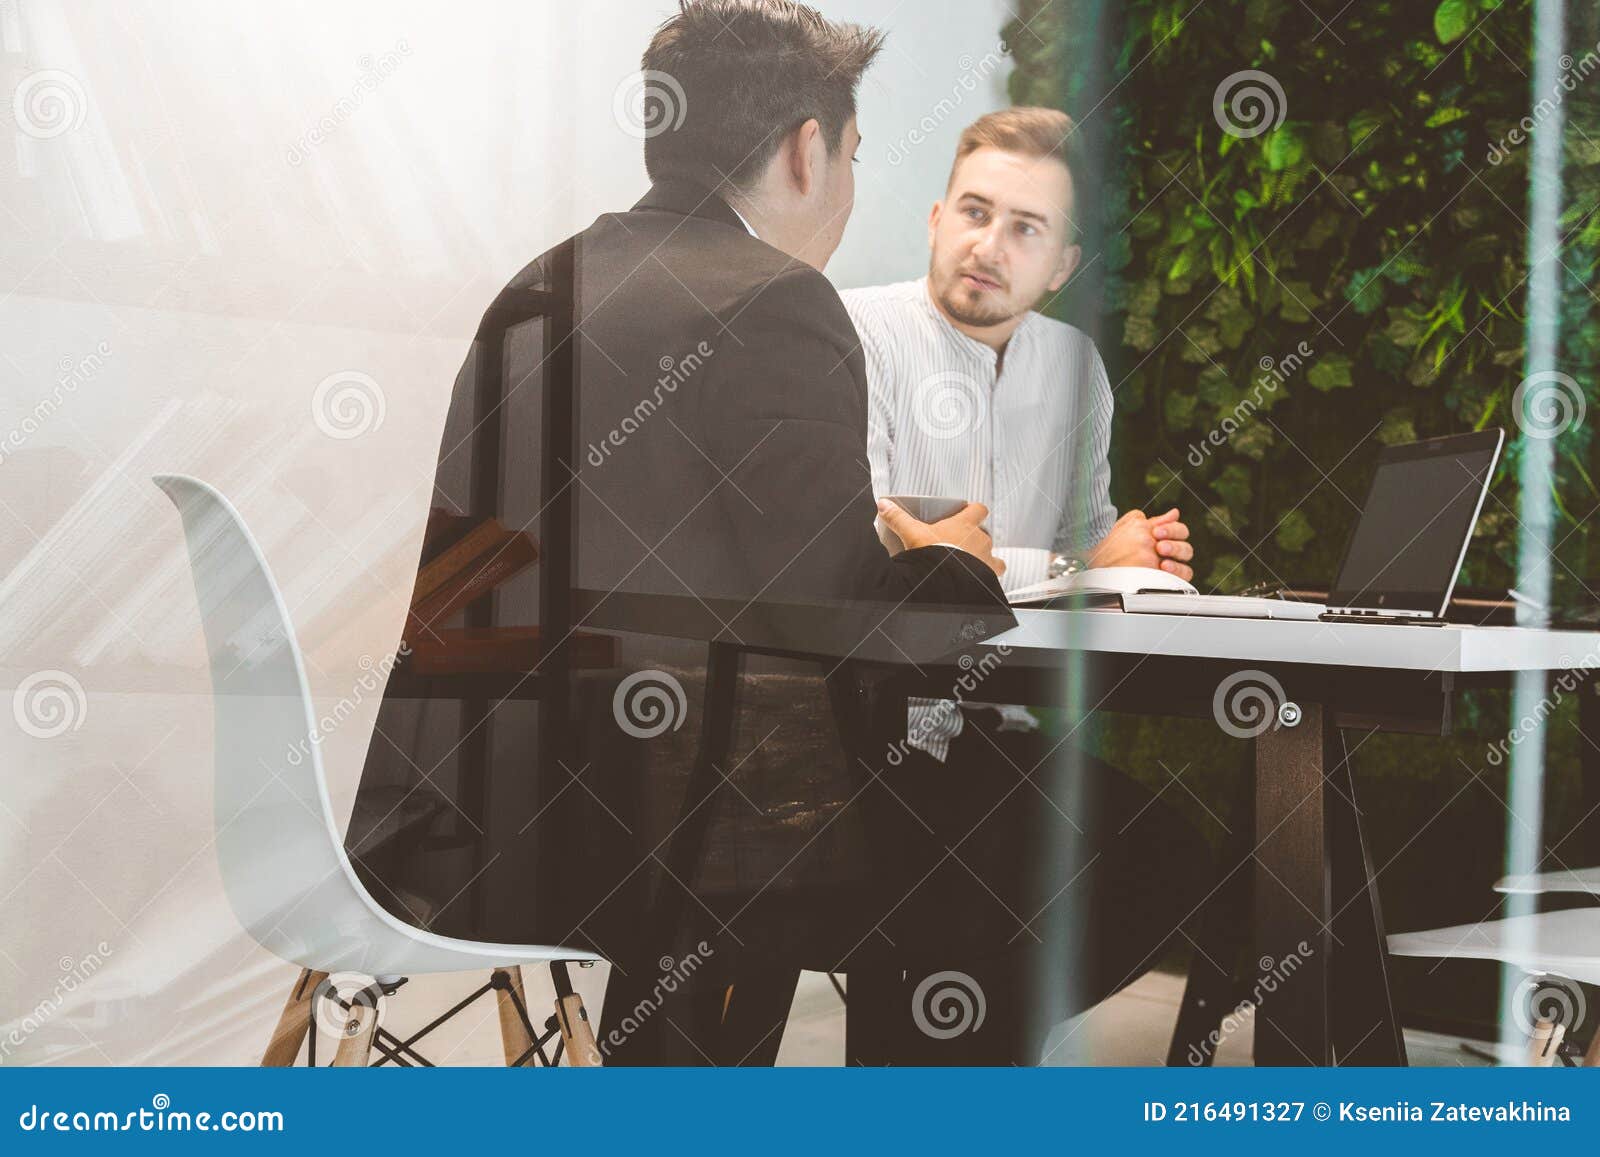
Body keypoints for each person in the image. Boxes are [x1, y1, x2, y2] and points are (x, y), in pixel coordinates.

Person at [349, 0, 1015, 1068]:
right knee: (1047, 830)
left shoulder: (535, 285)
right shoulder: (778, 301)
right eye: (851, 151)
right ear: (807, 152)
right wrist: (956, 565)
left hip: (472, 824)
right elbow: (838, 627)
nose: (848, 180)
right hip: (680, 845)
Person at [838, 108, 1215, 1064]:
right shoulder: (858, 334)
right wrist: (1087, 571)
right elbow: (887, 553)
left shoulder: (1074, 368)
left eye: (1025, 228)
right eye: (974, 211)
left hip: (1005, 727)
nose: (987, 245)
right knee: (981, 858)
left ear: (1063, 265)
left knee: (1175, 857)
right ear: (934, 217)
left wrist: (1135, 560)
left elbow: (1081, 545)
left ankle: (984, 1049)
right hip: (881, 723)